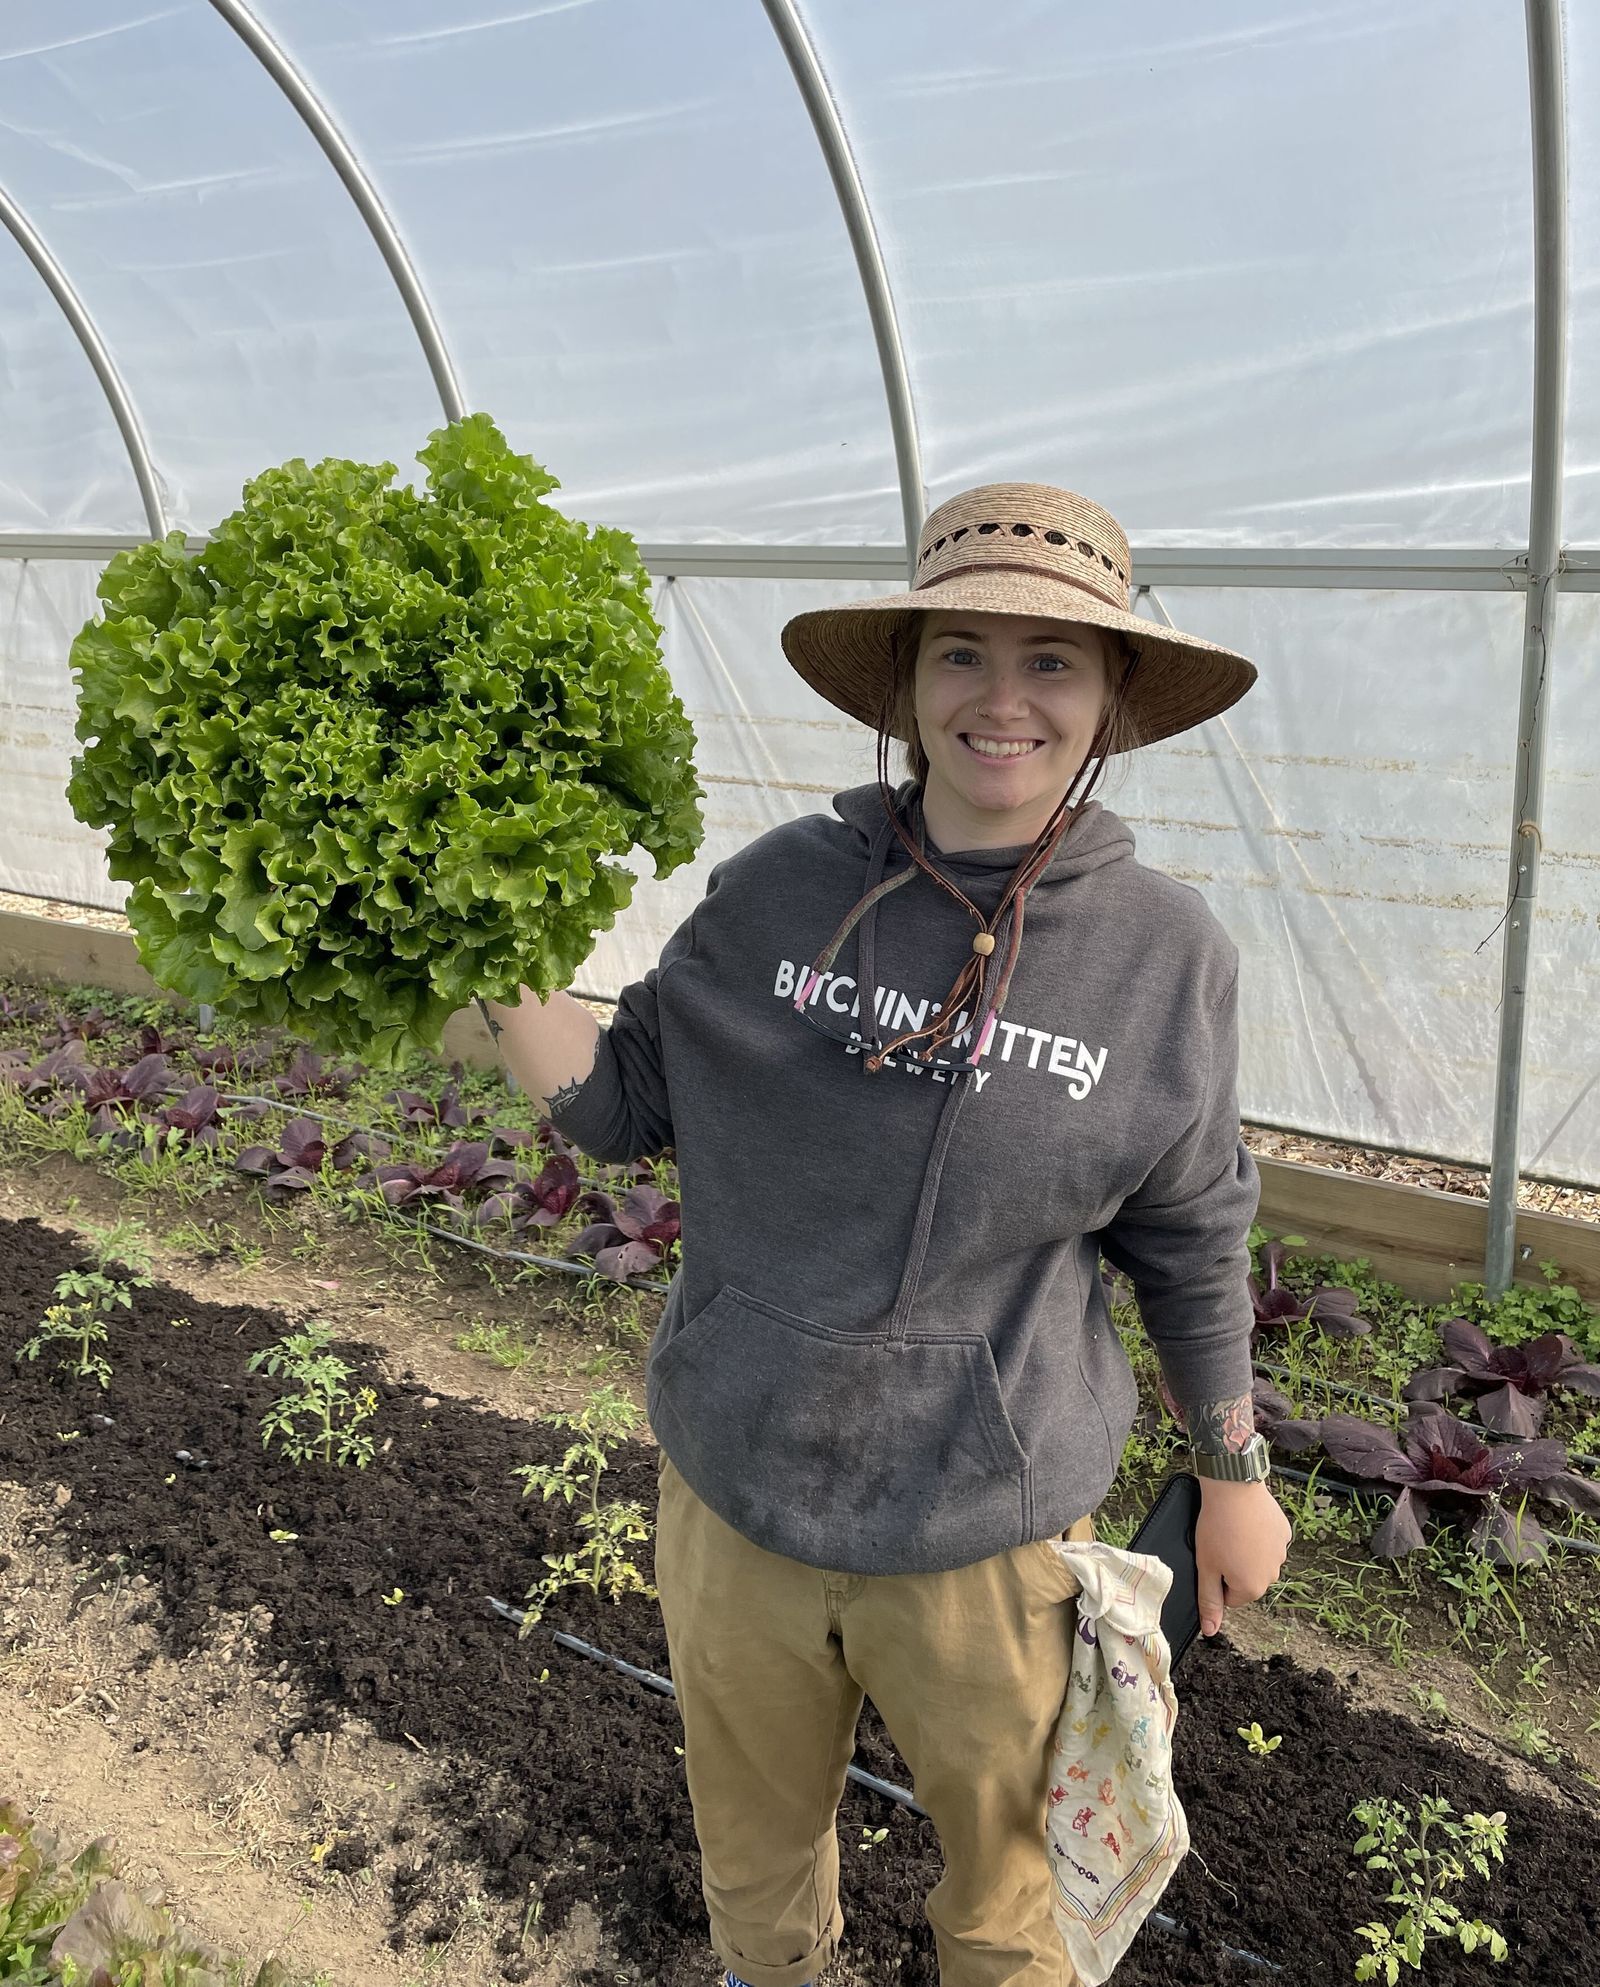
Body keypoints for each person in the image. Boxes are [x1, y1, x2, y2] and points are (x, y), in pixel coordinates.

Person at [486, 483, 1293, 1987]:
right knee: (753, 1853)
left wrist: (1233, 1474)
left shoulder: (1164, 956)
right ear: (910, 685)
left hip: (988, 1537)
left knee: (1013, 1893)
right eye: (961, 653)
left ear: (1110, 697)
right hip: (739, 1492)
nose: (1003, 699)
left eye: (1051, 661)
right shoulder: (782, 887)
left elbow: (1191, 1232)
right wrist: (475, 934)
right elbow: (620, 1104)